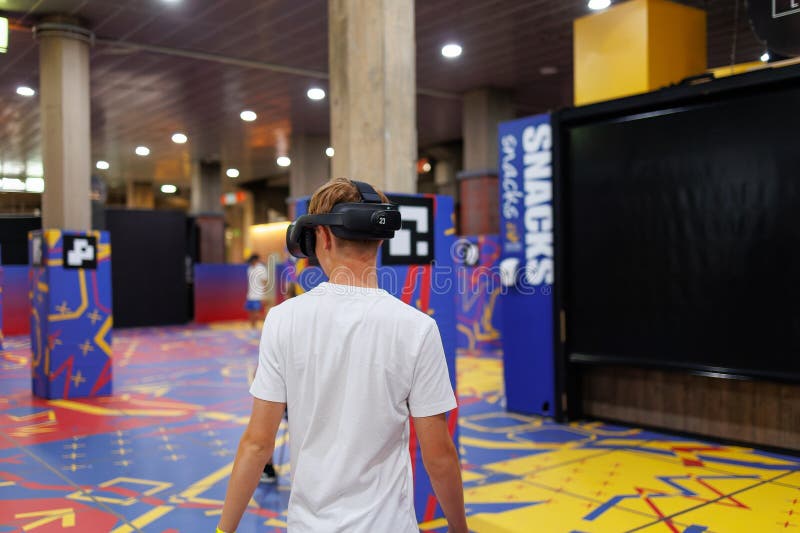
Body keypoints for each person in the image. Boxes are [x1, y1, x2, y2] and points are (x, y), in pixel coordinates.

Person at [219, 178, 467, 533]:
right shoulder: (417, 329)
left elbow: (258, 444)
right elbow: (438, 455)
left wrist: (222, 530)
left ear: (322, 237)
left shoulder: (283, 320)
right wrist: (460, 529)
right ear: (381, 238)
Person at [245, 254, 268, 330]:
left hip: (259, 295)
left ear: (255, 260)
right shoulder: (250, 268)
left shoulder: (261, 268)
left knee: (257, 314)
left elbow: (265, 282)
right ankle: (253, 329)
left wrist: (264, 295)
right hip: (250, 295)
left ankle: (268, 325)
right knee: (251, 313)